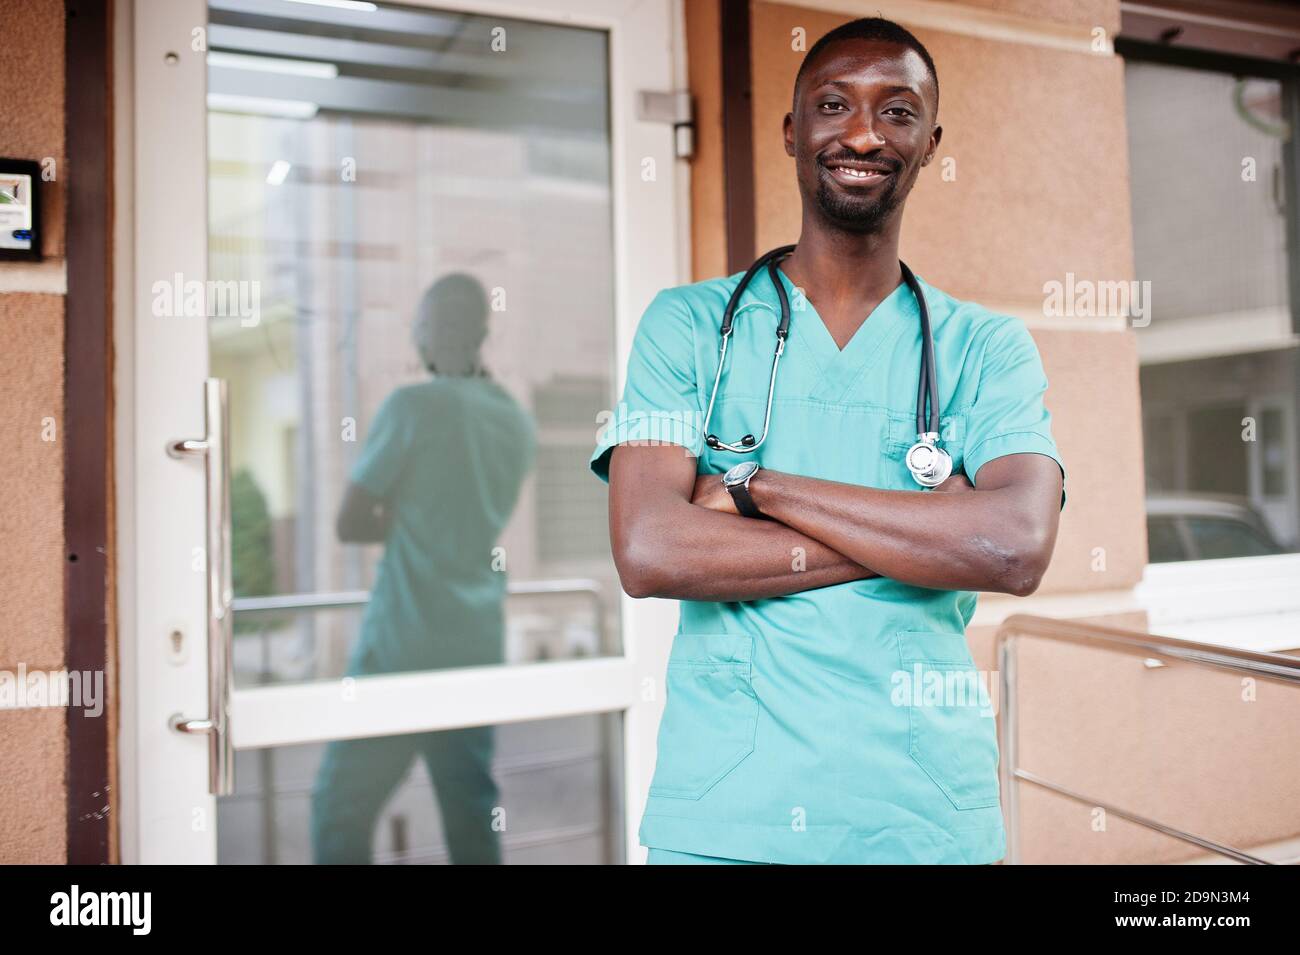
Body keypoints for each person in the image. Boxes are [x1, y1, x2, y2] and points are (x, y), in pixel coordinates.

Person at [591, 16, 1066, 865]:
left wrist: (753, 489)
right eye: (835, 104)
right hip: (730, 821)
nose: (862, 133)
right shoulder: (691, 326)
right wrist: (929, 534)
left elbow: (1013, 548)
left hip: (926, 824)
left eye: (898, 111)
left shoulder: (986, 347)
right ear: (792, 130)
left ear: (930, 143)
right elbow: (648, 548)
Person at [311, 273, 536, 864]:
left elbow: (348, 521)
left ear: (439, 332)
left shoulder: (412, 406)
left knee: (340, 807)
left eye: (421, 326)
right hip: (475, 638)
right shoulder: (512, 418)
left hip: (403, 643)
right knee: (470, 813)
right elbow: (471, 514)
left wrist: (406, 520)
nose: (415, 339)